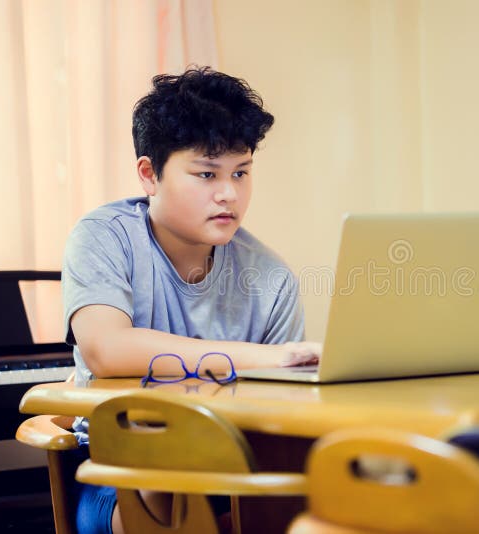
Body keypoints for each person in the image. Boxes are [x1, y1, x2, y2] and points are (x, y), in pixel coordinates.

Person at [62, 66, 321, 534]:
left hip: (236, 468)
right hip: (122, 472)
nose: (229, 193)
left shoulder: (271, 277)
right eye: (206, 174)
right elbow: (106, 351)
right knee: (173, 484)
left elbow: (284, 410)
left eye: (241, 173)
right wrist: (270, 358)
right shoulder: (103, 238)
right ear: (149, 174)